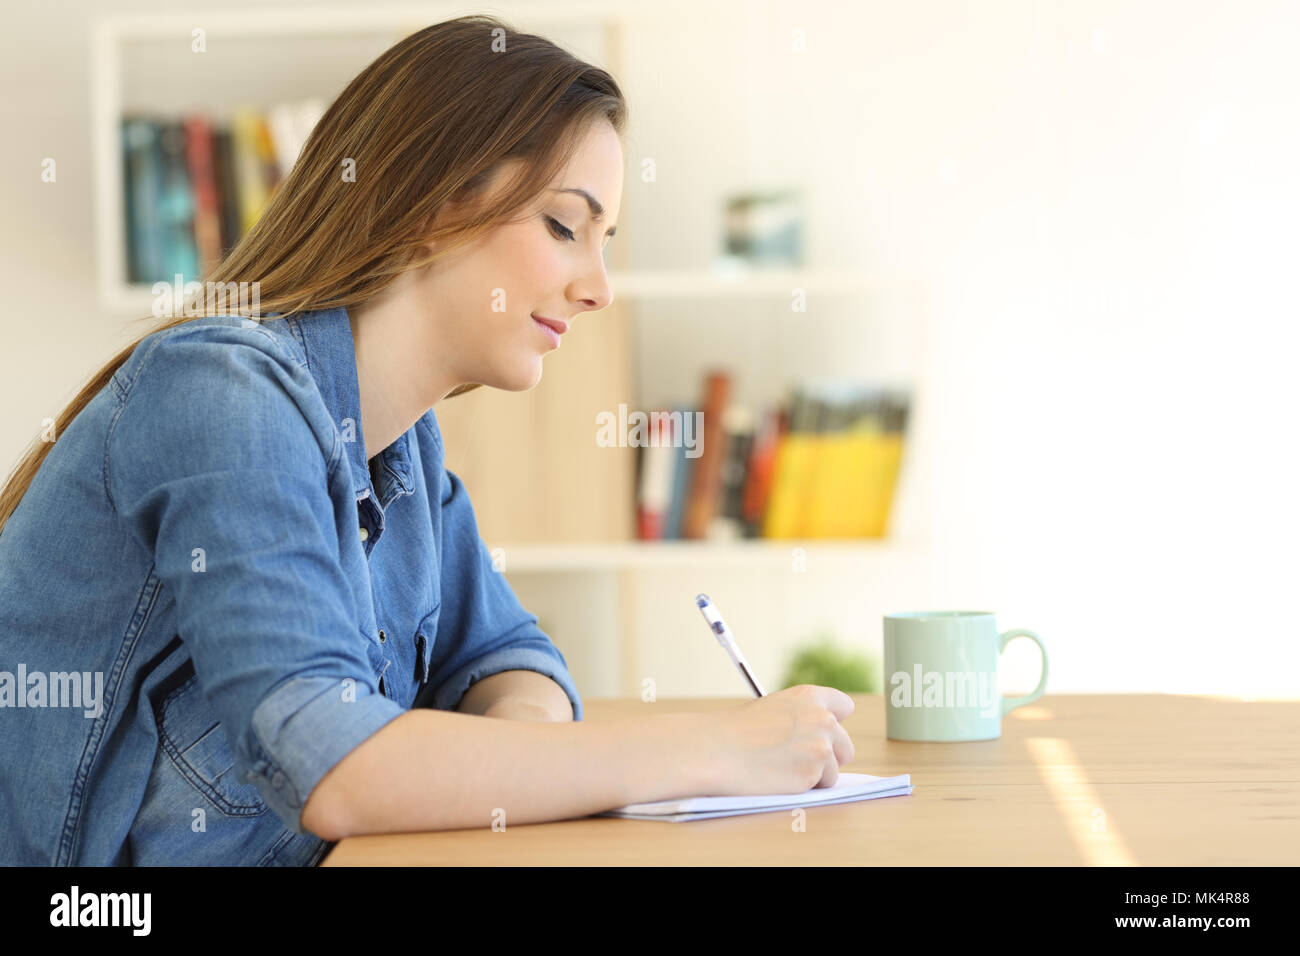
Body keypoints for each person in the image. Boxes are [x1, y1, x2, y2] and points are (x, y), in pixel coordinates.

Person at [0, 14, 853, 866]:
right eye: (564, 226)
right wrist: (710, 751)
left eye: (606, 241)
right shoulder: (224, 398)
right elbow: (333, 763)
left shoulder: (405, 449)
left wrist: (515, 756)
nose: (598, 289)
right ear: (430, 208)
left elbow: (506, 656)